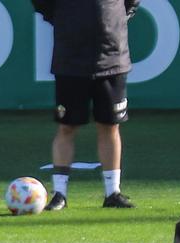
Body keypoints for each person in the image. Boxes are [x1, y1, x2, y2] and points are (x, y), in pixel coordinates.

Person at [32, 0, 140, 210]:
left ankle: (112, 192)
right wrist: (63, 18)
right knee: (67, 126)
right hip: (70, 58)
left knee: (110, 125)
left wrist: (116, 16)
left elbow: (131, 3)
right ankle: (60, 194)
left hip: (112, 56)